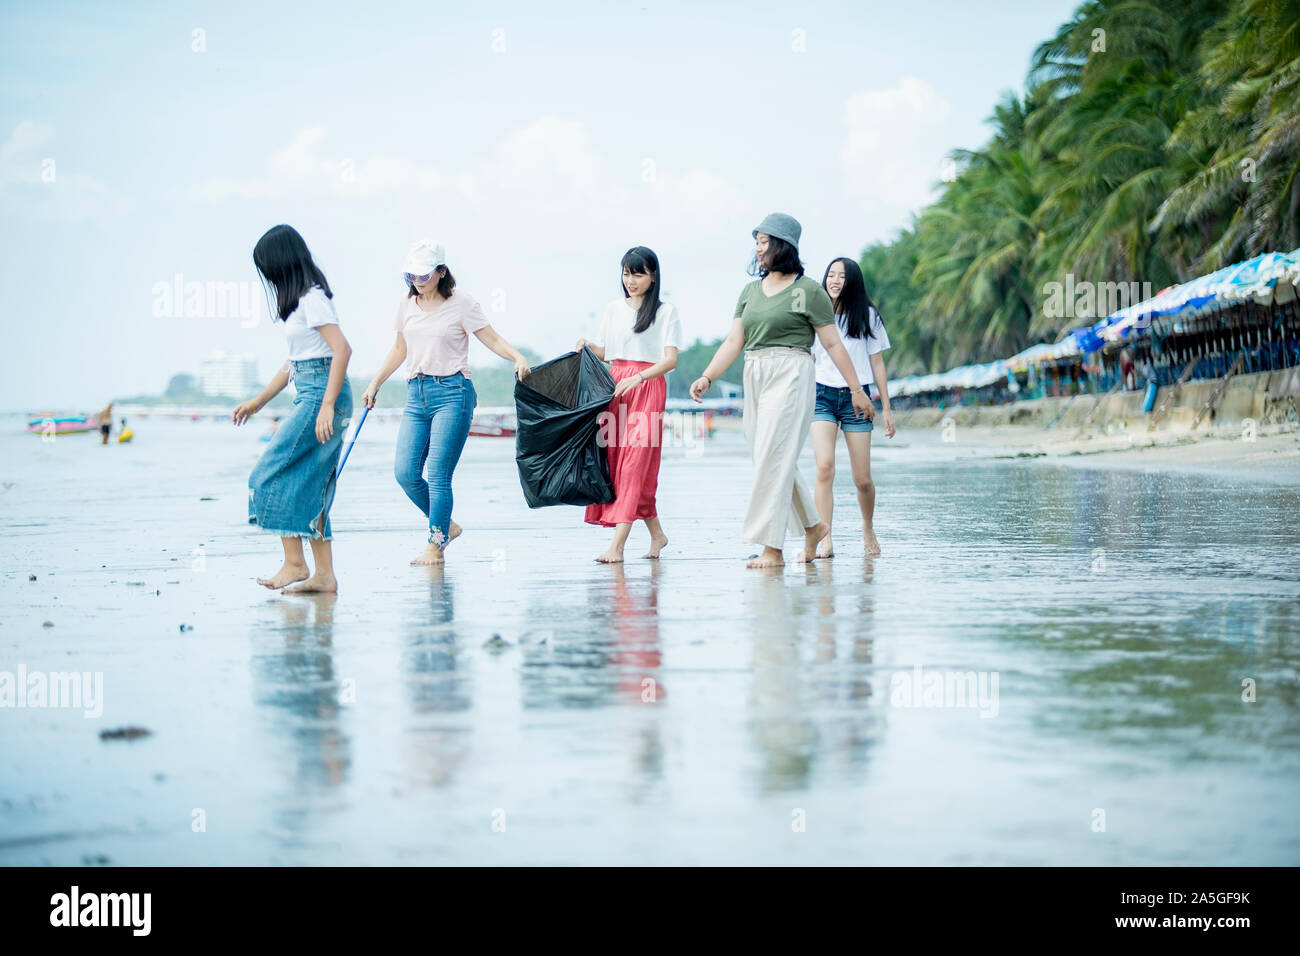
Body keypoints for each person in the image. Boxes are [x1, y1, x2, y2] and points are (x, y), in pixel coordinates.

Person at [689, 213, 872, 569]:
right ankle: (814, 526)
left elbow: (834, 345)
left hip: (792, 371)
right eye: (756, 243)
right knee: (768, 456)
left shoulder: (809, 291)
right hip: (755, 371)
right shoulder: (750, 291)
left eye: (764, 243)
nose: (758, 250)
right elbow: (734, 341)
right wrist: (707, 376)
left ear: (782, 245)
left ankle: (771, 547)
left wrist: (856, 390)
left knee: (773, 456)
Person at [362, 239, 532, 566]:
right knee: (405, 473)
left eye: (424, 275)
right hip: (416, 394)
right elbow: (399, 349)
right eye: (411, 275)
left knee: (438, 474)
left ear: (441, 272)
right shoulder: (406, 305)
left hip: (453, 393)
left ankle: (434, 546)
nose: (417, 281)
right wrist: (375, 382)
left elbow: (490, 337)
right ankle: (446, 525)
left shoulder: (462, 303)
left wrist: (516, 356)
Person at [232, 224, 353, 593]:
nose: (266, 275)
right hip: (312, 390)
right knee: (311, 484)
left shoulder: (313, 298)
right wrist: (256, 403)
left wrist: (327, 406)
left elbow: (342, 350)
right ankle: (325, 576)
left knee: (266, 474)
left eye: (267, 267)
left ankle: (295, 562)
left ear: (282, 262)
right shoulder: (299, 302)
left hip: (322, 394)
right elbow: (292, 364)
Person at [575, 246, 680, 563]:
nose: (630, 280)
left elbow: (671, 359)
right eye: (626, 273)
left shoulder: (665, 312)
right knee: (619, 465)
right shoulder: (613, 309)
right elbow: (607, 352)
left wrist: (640, 377)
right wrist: (586, 345)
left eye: (638, 273)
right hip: (615, 387)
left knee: (634, 465)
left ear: (653, 276)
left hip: (647, 388)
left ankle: (617, 546)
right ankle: (657, 535)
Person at [799, 257, 895, 559]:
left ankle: (867, 527)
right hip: (822, 396)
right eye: (831, 275)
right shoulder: (816, 314)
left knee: (861, 479)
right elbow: (807, 360)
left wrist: (887, 408)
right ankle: (824, 537)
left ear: (852, 281)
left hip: (859, 399)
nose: (835, 280)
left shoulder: (867, 315)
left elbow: (877, 364)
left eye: (841, 276)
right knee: (824, 467)